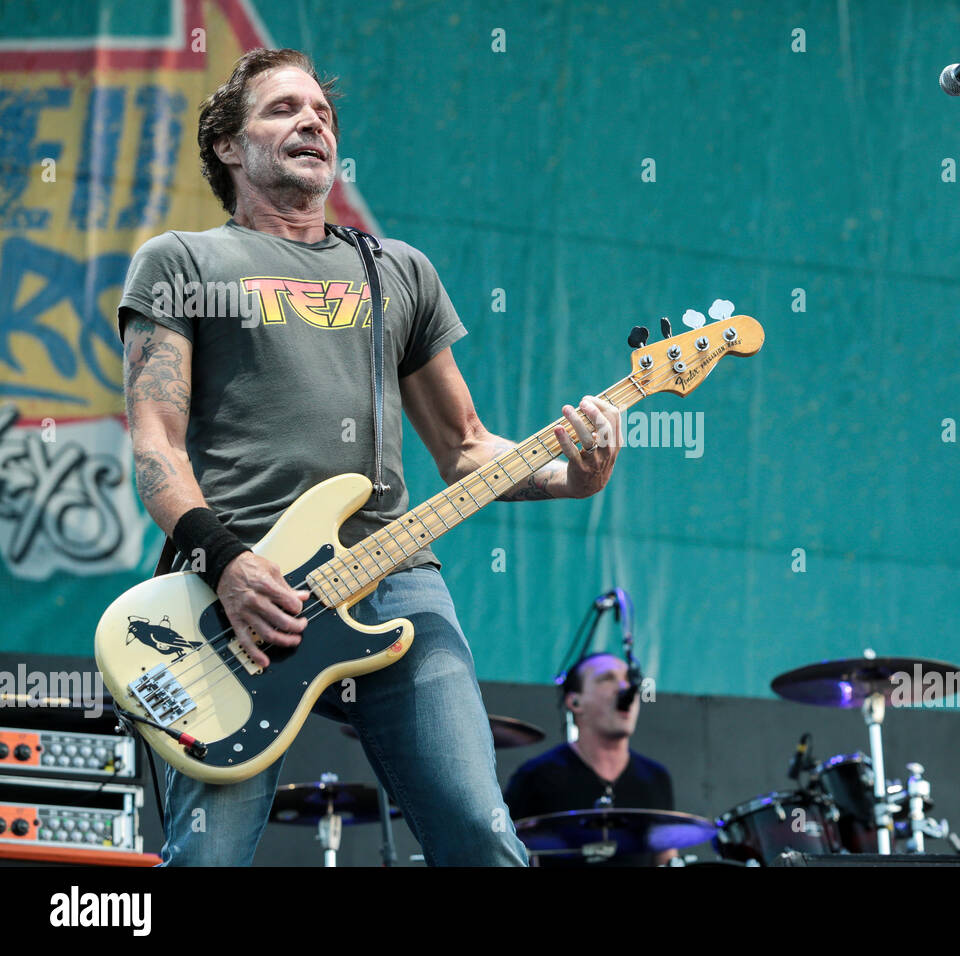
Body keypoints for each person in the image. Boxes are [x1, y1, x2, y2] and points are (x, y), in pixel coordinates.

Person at [117, 48, 623, 866]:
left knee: (481, 832)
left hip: (394, 579)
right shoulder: (181, 262)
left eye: (322, 113)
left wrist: (575, 475)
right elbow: (155, 448)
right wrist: (227, 564)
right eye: (284, 109)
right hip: (233, 590)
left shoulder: (398, 273)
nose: (312, 122)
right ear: (225, 145)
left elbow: (466, 451)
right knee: (207, 857)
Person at [503, 652, 674, 866]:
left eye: (628, 680)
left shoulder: (655, 778)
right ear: (575, 702)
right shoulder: (536, 777)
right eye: (607, 678)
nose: (625, 687)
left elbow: (666, 856)